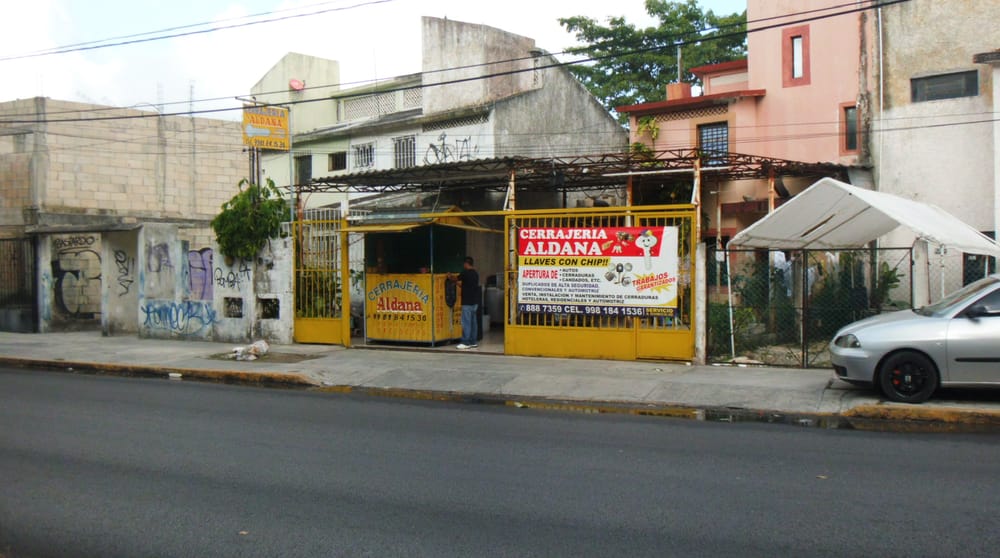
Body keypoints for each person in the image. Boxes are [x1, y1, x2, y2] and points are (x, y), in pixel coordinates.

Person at [449, 256, 480, 349]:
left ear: (466, 264)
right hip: (474, 302)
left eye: (464, 264)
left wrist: (450, 276)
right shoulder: (475, 274)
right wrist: (457, 284)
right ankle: (473, 342)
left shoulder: (465, 273)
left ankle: (465, 342)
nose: (463, 265)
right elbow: (466, 285)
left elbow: (456, 278)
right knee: (473, 323)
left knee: (466, 322)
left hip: (467, 302)